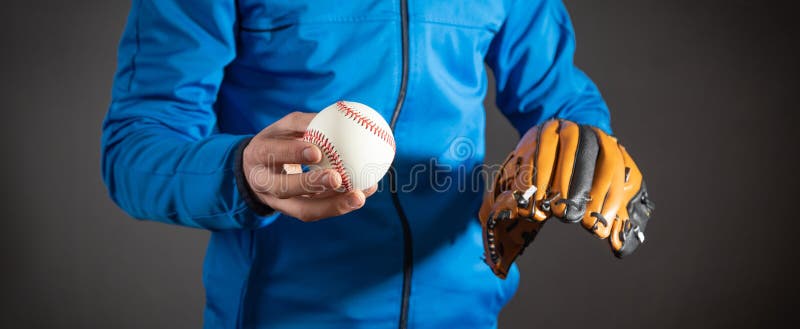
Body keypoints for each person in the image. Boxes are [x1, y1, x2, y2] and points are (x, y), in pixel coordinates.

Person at [102, 0, 652, 328]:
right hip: (288, 316)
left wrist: (581, 142)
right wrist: (240, 171)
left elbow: (559, 96)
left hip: (464, 312)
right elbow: (136, 147)